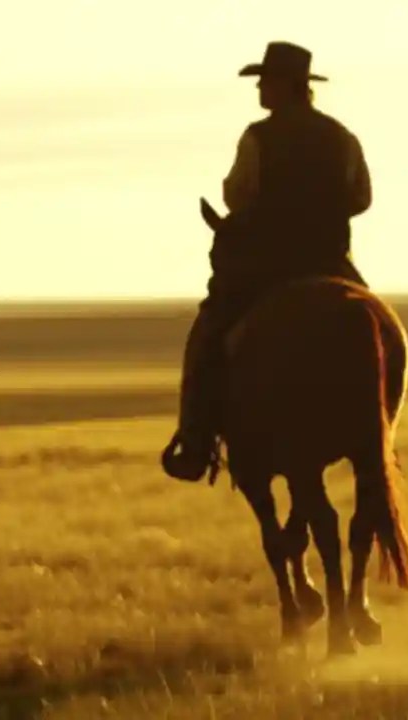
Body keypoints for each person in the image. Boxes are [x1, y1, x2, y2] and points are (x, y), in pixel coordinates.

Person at [161, 41, 374, 482]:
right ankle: (382, 439)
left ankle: (196, 444)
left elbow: (237, 196)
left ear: (287, 86)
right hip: (331, 262)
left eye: (266, 81)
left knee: (208, 333)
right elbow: (361, 198)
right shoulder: (343, 138)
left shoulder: (258, 137)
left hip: (269, 266)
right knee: (373, 328)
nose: (260, 89)